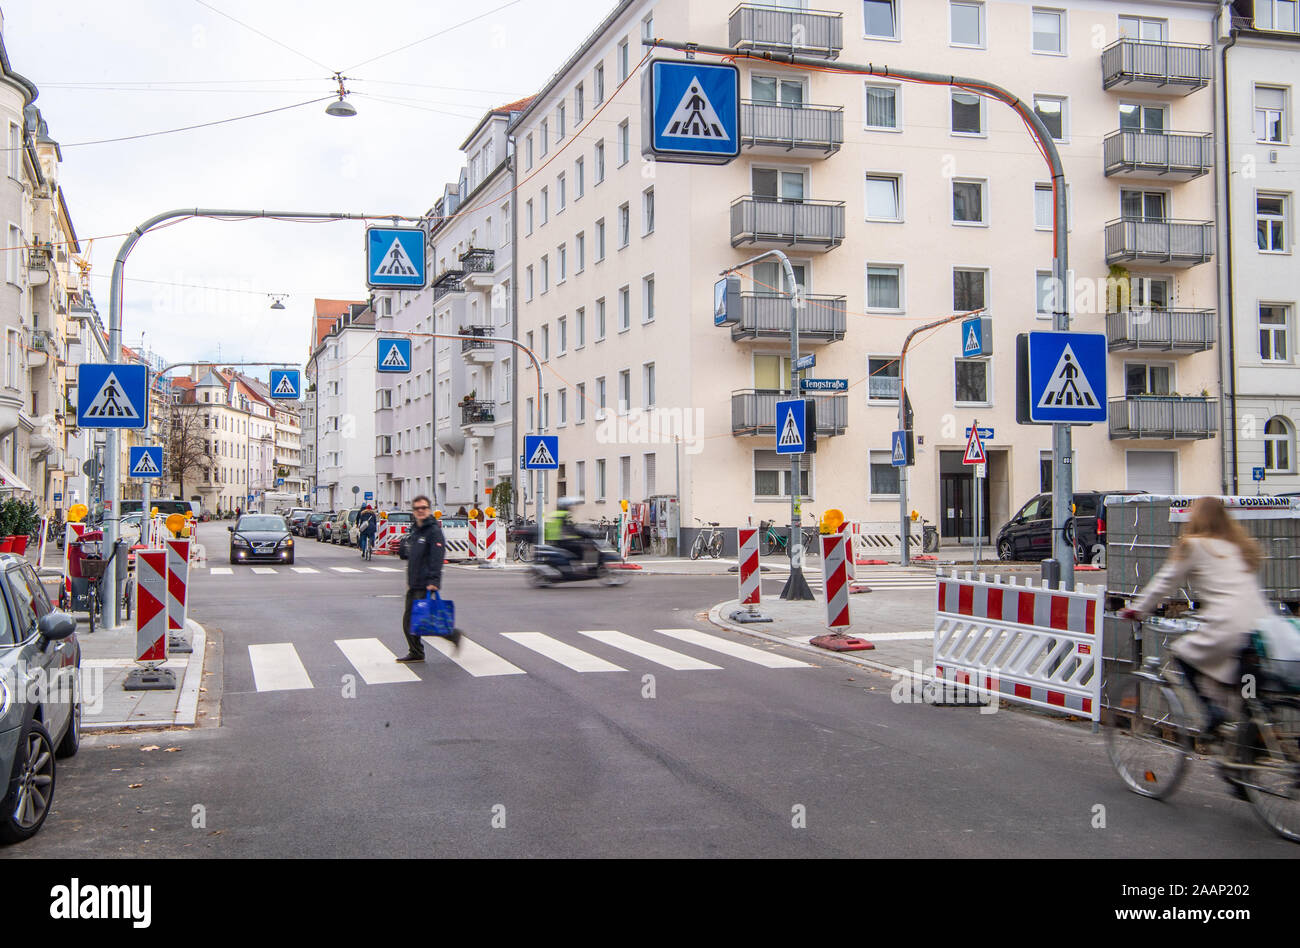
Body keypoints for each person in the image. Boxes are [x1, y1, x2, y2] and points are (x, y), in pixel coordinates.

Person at [1120, 497, 1272, 736]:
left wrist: (1137, 609)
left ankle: (1212, 711)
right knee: (1246, 693)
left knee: (1183, 653)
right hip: (1262, 627)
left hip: (1228, 627)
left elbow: (1164, 583)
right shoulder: (1237, 546)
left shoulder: (1194, 545)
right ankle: (1249, 750)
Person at [398, 495, 459, 662]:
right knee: (417, 619)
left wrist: (434, 580)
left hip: (425, 583)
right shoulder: (416, 530)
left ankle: (421, 650)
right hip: (414, 582)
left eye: (423, 508)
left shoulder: (433, 531)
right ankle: (448, 637)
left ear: (429, 510)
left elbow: (437, 557)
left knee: (412, 620)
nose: (420, 511)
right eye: (417, 508)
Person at [545, 497, 587, 566]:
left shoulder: (555, 513)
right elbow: (570, 528)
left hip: (555, 540)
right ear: (565, 506)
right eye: (570, 506)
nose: (571, 508)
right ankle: (578, 567)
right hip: (562, 540)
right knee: (581, 548)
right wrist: (583, 534)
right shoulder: (564, 514)